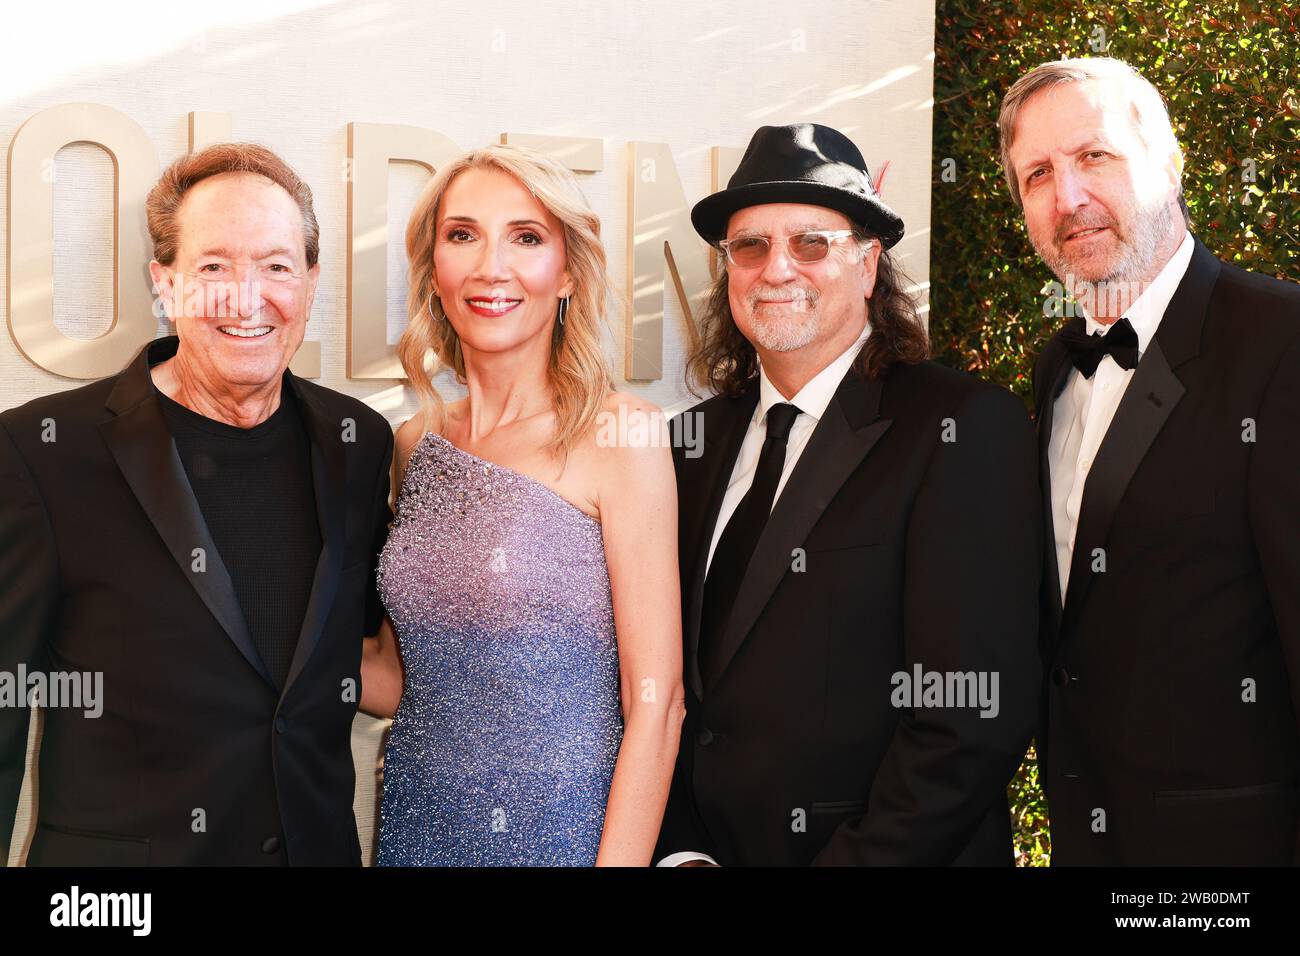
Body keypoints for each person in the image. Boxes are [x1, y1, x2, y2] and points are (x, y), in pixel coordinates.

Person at [654, 123, 1041, 866]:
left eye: (811, 243)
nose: (776, 270)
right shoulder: (689, 445)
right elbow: (662, 688)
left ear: (868, 266)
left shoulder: (960, 426)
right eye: (750, 246)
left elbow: (968, 715)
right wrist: (682, 855)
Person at [0, 143, 394, 865]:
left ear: (310, 282)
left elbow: (360, 655)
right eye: (214, 267)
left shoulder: (357, 443)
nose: (246, 299)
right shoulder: (41, 452)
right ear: (166, 283)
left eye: (276, 266)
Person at [1002, 57, 1300, 866]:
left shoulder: (1281, 343)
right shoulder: (1053, 370)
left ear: (1167, 164)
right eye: (1038, 175)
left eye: (1093, 156)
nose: (1067, 198)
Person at [360, 144, 684, 866]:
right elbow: (402, 679)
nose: (490, 267)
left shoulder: (619, 435)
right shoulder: (416, 443)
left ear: (567, 271)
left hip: (563, 841)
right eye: (463, 234)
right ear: (434, 269)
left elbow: (657, 705)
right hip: (418, 833)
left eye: (527, 237)